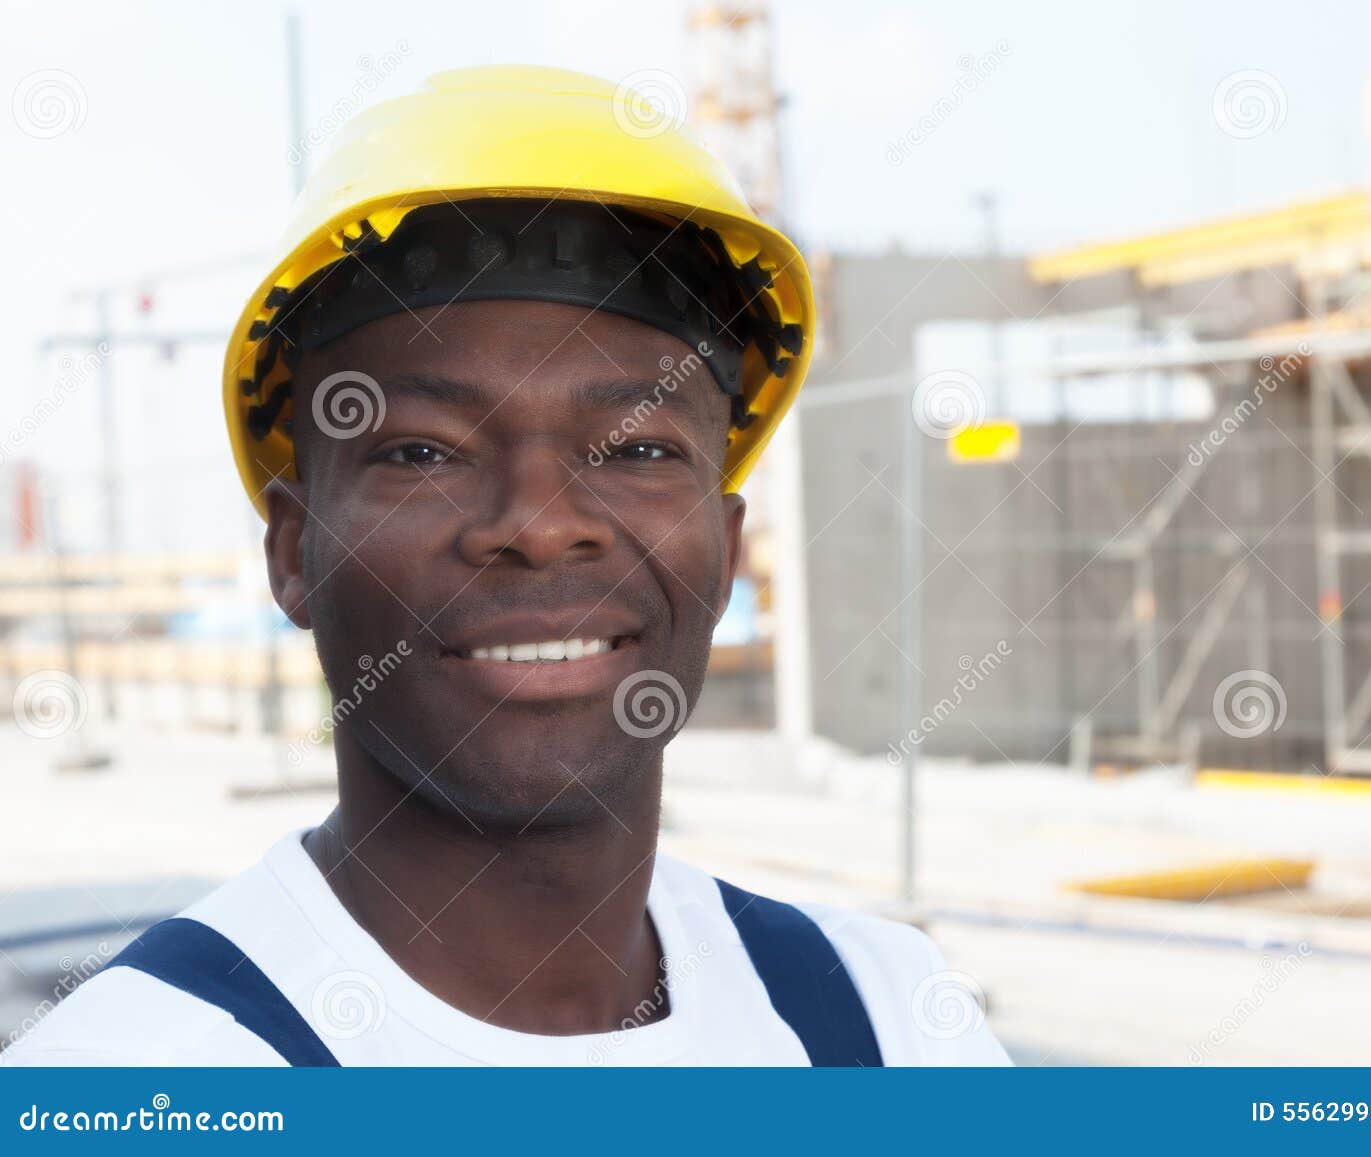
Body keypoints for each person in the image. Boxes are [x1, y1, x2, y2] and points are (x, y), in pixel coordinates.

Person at [2, 66, 1009, 1067]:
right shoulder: (142, 1074)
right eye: (421, 450)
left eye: (637, 449)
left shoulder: (882, 1019)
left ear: (728, 546)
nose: (539, 524)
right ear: (291, 553)